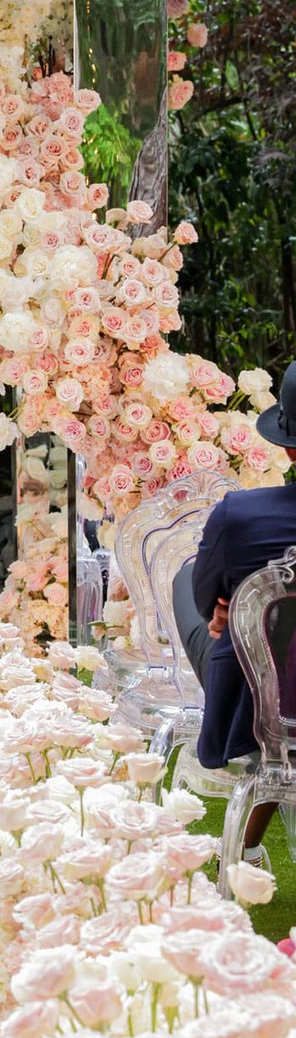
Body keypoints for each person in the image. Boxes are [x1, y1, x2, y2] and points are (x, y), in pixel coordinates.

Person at [188, 358, 296, 856]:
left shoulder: (240, 514)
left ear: (288, 446)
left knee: (211, 612)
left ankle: (248, 849)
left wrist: (224, 612)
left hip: (259, 710)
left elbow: (203, 597)